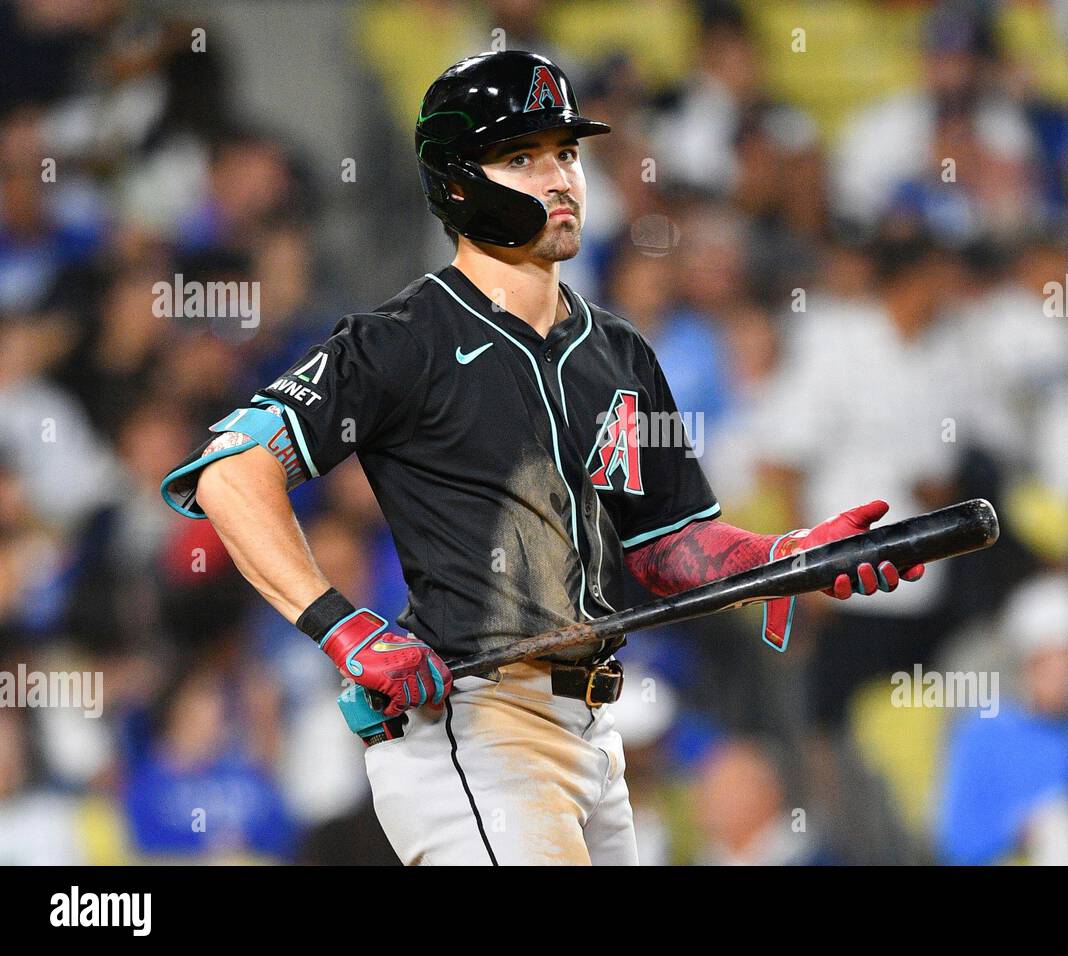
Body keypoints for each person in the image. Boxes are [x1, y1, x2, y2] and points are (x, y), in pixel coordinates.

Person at [160, 51, 923, 866]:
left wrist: (783, 558)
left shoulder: (620, 351)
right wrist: (342, 628)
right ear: (457, 183)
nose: (559, 176)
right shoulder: (402, 340)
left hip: (598, 730)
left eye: (565, 152)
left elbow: (667, 547)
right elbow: (229, 471)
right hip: (473, 720)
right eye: (521, 156)